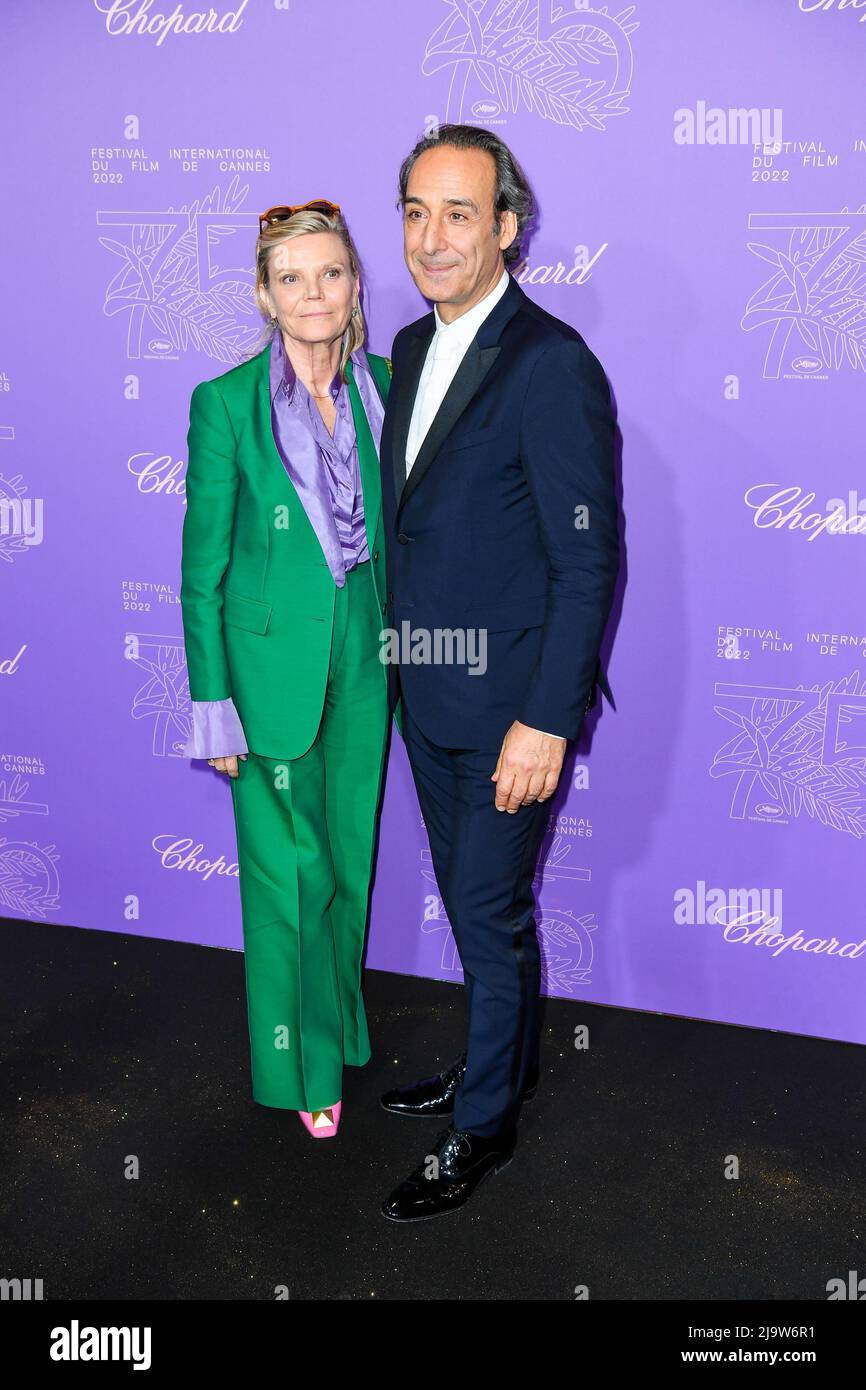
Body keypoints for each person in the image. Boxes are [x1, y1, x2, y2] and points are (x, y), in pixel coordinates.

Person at [378, 126, 620, 1220]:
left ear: (507, 229)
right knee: (474, 904)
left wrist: (546, 720)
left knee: (485, 908)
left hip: (509, 706)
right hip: (424, 686)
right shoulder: (412, 347)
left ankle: (482, 1128)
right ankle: (498, 1065)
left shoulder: (552, 363)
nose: (431, 239)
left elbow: (586, 558)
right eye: (417, 213)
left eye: (459, 214)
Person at [180, 200, 392, 1139]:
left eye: (332, 274)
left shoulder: (390, 383)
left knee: (348, 858)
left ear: (355, 286)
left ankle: (339, 1024)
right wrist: (212, 704)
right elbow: (201, 575)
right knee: (286, 879)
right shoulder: (224, 404)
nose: (315, 293)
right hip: (266, 669)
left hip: (369, 646)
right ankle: (301, 1064)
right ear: (265, 294)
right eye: (293, 277)